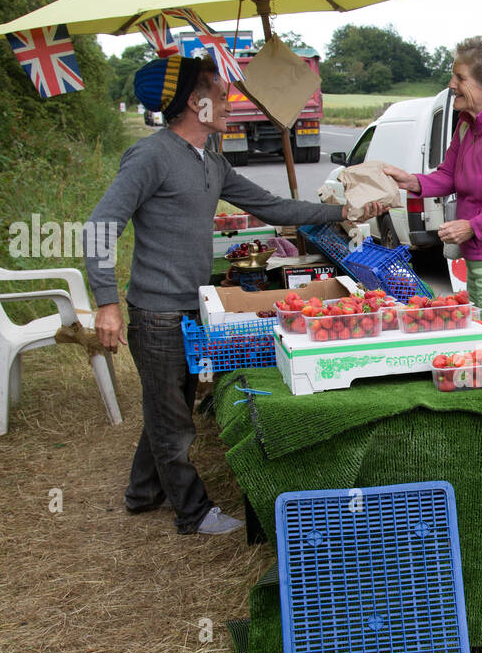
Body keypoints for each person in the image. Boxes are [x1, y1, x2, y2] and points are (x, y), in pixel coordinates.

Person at [83, 53, 383, 535]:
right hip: (157, 309)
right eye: (220, 94)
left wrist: (342, 211)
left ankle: (143, 492)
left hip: (190, 304)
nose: (229, 102)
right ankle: (193, 513)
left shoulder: (211, 161)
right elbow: (100, 226)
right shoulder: (151, 155)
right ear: (193, 102)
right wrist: (105, 302)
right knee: (172, 419)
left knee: (170, 404)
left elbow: (271, 204)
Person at [382, 37, 482, 329]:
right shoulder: (467, 124)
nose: (451, 84)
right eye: (452, 76)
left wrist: (471, 226)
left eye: (460, 77)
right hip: (478, 259)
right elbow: (447, 175)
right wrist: (410, 181)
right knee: (481, 341)